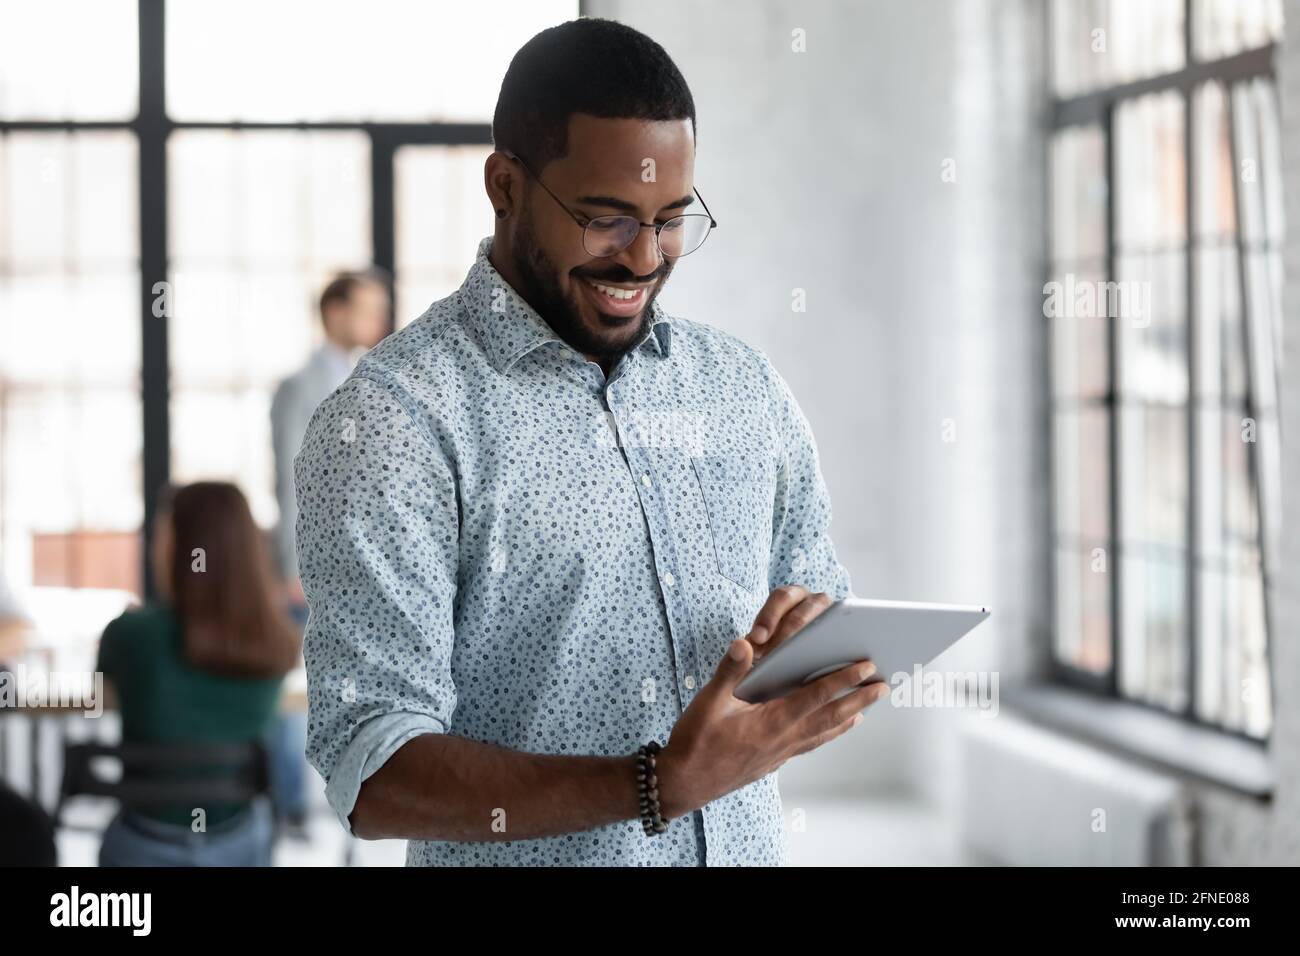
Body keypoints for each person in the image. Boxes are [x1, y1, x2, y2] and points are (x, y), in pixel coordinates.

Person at [295, 18, 887, 867]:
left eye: (672, 218)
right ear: (505, 185)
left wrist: (813, 654)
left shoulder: (742, 388)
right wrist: (655, 784)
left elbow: (818, 606)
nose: (643, 257)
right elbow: (375, 770)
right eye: (606, 219)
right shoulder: (395, 420)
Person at [96, 482, 300, 867]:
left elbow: (100, 694)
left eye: (160, 534)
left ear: (179, 546)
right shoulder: (277, 640)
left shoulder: (131, 634)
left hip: (143, 846)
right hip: (239, 847)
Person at [269, 270, 390, 834]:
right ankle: (292, 804)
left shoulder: (378, 378)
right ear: (334, 312)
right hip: (311, 565)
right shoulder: (299, 386)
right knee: (297, 686)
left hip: (367, 565)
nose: (377, 320)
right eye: (367, 308)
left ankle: (358, 796)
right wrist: (294, 566)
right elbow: (289, 480)